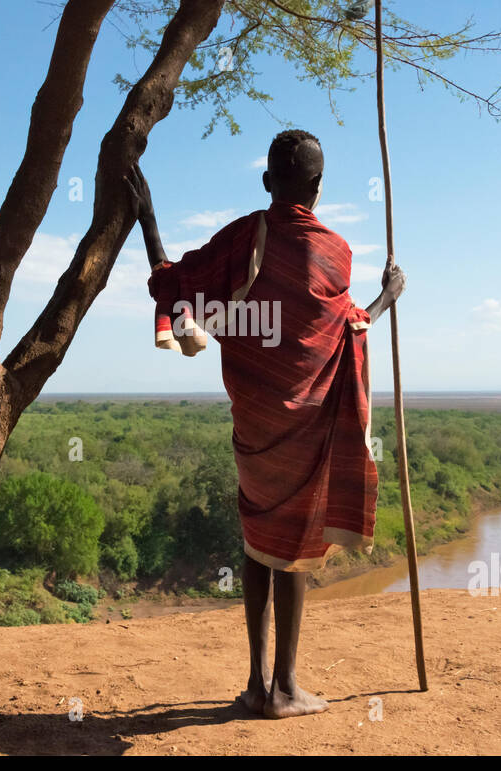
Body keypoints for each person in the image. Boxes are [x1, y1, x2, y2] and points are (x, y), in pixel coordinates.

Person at [127, 129, 406, 718]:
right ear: (319, 189)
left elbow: (173, 283)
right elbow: (350, 326)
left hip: (254, 423)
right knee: (292, 549)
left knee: (258, 543)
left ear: (265, 182)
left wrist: (147, 218)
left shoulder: (240, 238)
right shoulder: (336, 252)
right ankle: (285, 688)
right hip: (306, 425)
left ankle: (257, 684)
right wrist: (388, 299)